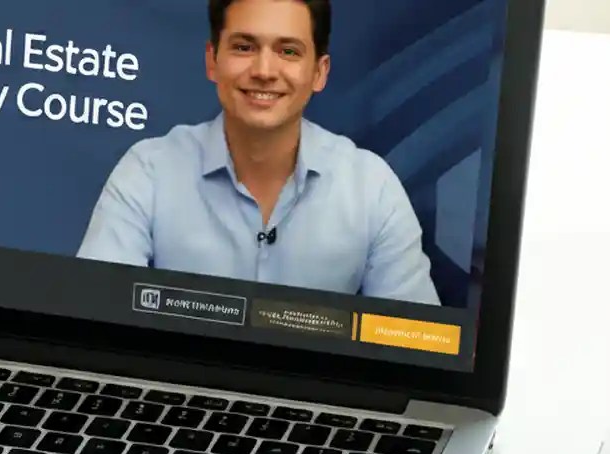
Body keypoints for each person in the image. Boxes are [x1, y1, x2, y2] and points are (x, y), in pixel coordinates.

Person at [76, 0, 441, 305]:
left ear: (319, 72)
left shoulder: (372, 188)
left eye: (288, 51)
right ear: (211, 60)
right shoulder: (148, 171)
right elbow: (94, 317)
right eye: (244, 47)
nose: (265, 71)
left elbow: (413, 346)